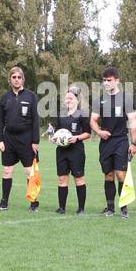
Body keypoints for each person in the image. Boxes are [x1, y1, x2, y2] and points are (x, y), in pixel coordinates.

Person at [91, 65, 136, 218]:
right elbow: (92, 120)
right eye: (104, 80)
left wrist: (134, 143)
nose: (106, 83)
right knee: (108, 175)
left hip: (121, 141)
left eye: (109, 80)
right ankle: (110, 208)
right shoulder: (100, 100)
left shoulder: (126, 98)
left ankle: (124, 208)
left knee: (120, 175)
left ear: (117, 80)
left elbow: (132, 121)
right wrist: (99, 131)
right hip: (105, 143)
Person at [0, 66, 40, 212]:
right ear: (10, 80)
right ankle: (4, 202)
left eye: (19, 77)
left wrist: (35, 141)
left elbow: (36, 120)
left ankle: (33, 203)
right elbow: (0, 121)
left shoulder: (31, 96)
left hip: (26, 140)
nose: (16, 80)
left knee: (29, 172)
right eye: (14, 77)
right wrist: (0, 140)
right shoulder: (5, 98)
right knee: (7, 171)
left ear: (23, 79)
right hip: (9, 139)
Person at [52, 84, 91, 214]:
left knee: (78, 179)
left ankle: (81, 209)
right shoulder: (61, 114)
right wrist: (54, 138)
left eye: (71, 98)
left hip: (76, 151)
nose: (68, 100)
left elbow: (88, 133)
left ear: (77, 100)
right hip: (61, 152)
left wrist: (77, 138)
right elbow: (57, 132)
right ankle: (61, 208)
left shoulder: (82, 114)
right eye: (67, 98)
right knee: (62, 179)